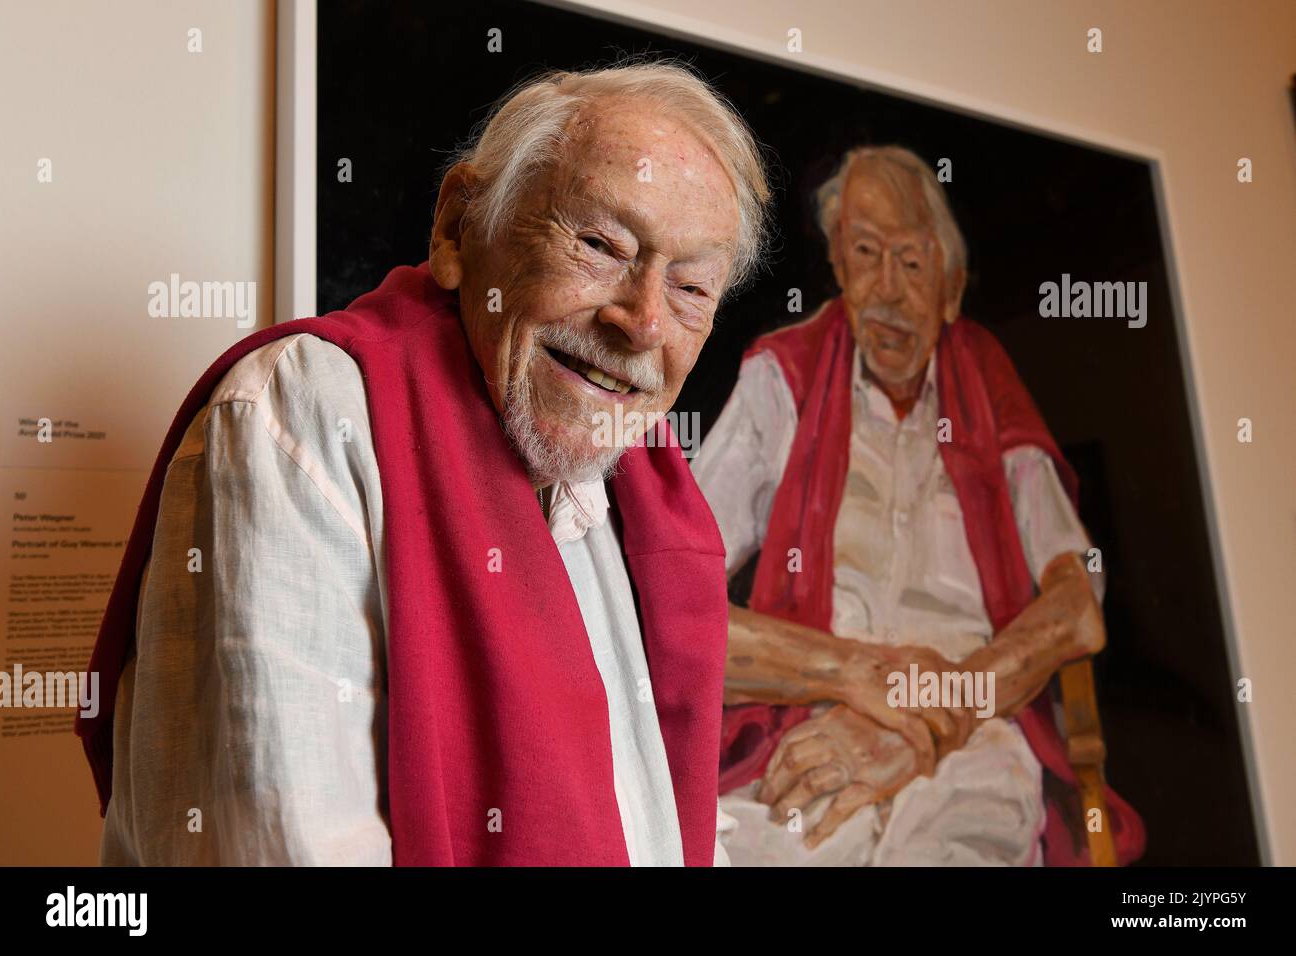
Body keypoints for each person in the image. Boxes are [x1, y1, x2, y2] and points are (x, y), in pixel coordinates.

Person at [79, 60, 771, 866]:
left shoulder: (635, 487)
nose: (644, 322)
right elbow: (286, 846)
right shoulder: (302, 411)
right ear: (456, 228)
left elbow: (654, 821)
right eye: (599, 244)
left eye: (692, 289)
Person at [695, 145, 1144, 866]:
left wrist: (933, 709)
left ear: (951, 285)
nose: (887, 290)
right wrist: (851, 674)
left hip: (977, 733)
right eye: (865, 255)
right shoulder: (781, 381)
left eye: (911, 262)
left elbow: (1074, 605)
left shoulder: (991, 387)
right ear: (838, 270)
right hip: (807, 720)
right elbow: (675, 599)